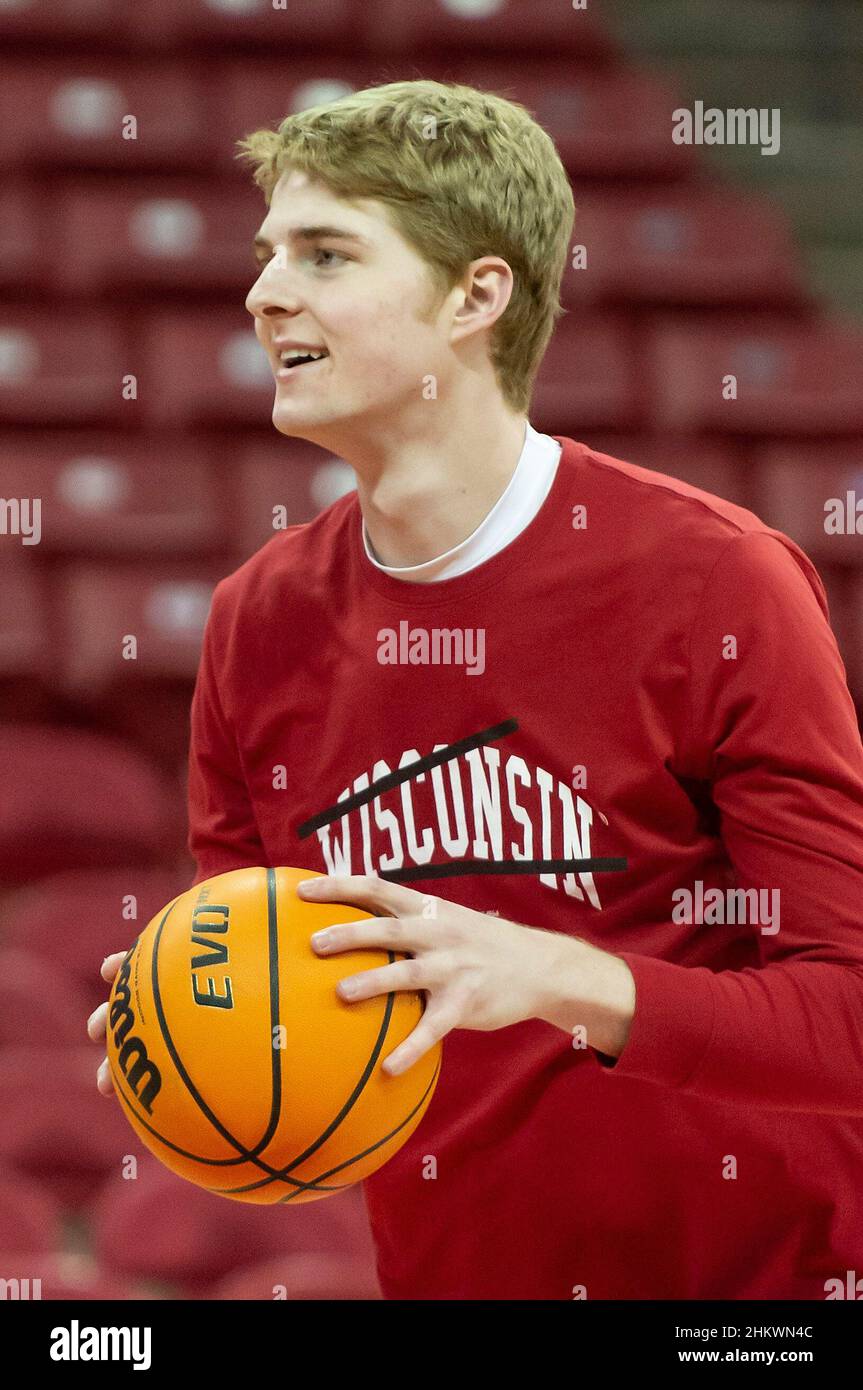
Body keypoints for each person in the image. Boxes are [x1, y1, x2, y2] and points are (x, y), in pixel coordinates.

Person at [89, 78, 863, 1301]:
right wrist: (181, 1038)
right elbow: (274, 989)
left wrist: (549, 974)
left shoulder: (715, 582)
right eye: (266, 254)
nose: (264, 292)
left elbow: (847, 1018)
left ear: (475, 296)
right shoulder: (257, 623)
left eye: (325, 254)